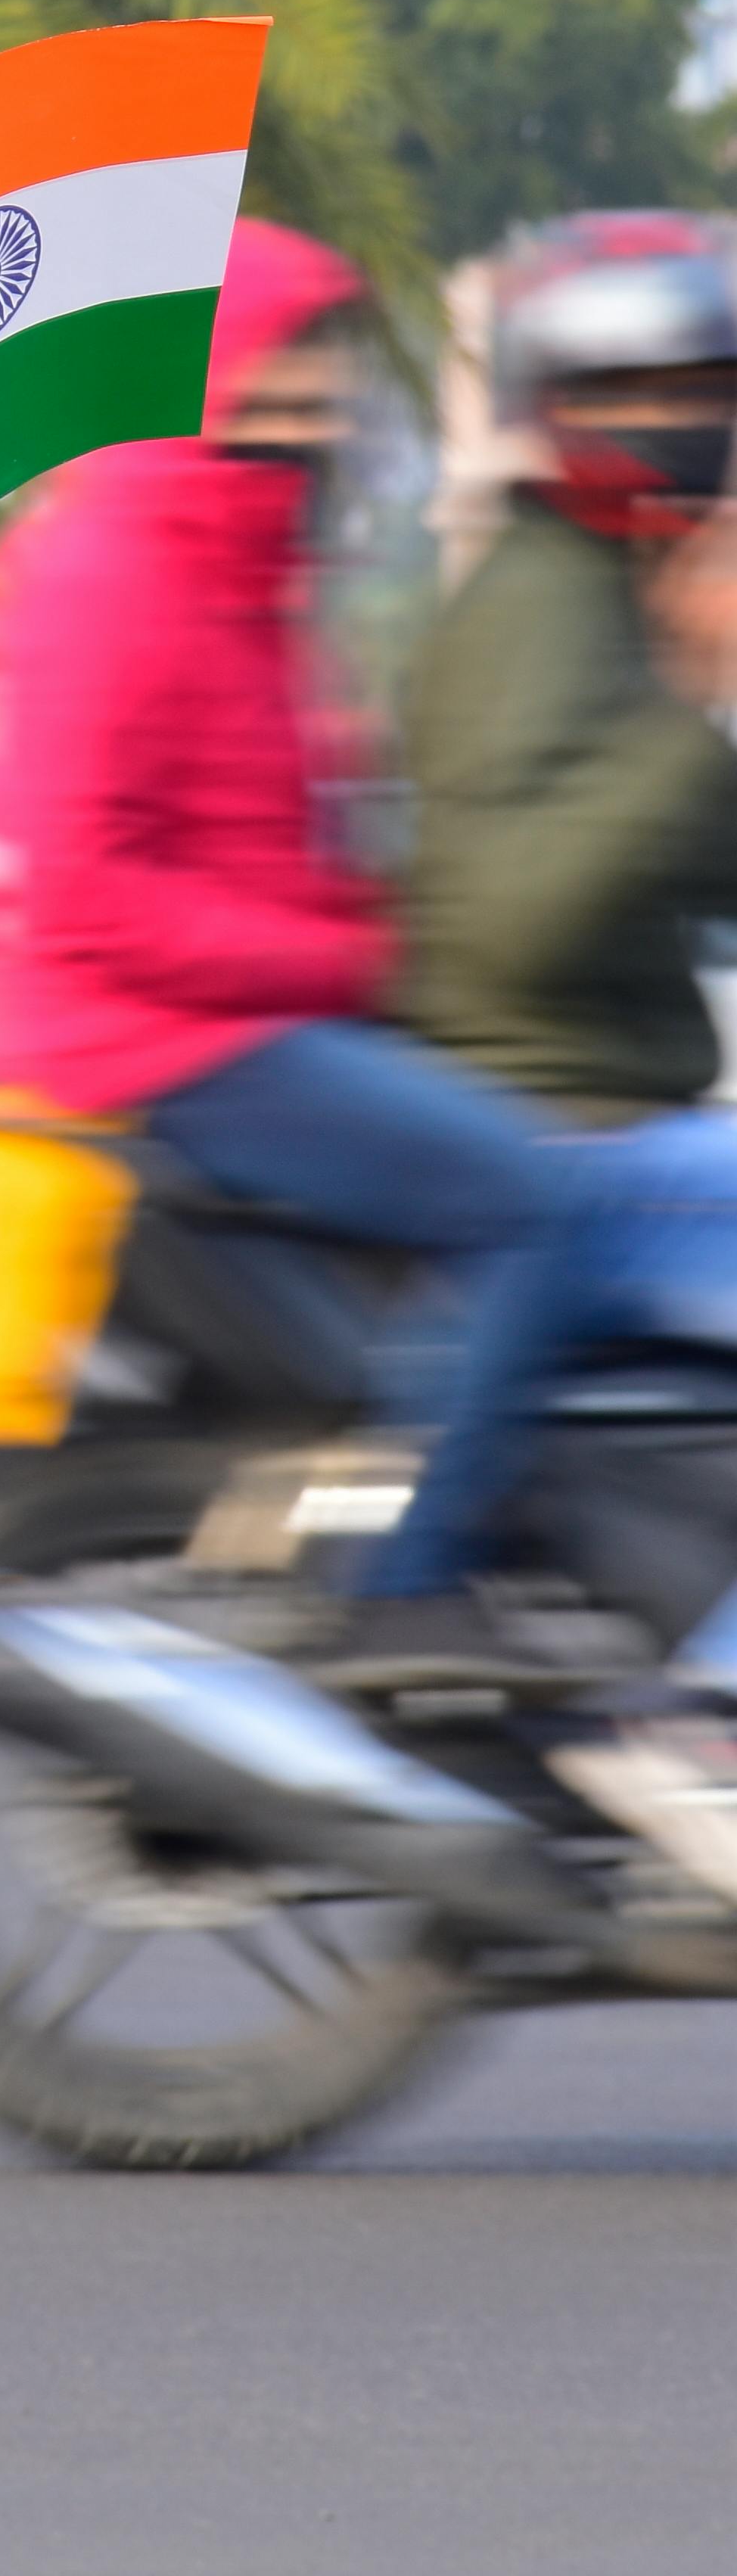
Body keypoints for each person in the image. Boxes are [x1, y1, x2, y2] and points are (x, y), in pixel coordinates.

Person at [0, 215, 577, 1631]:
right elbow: (80, 889)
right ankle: (408, 1580)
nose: (315, 416)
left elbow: (277, 842)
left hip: (244, 1021)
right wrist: (349, 961)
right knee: (531, 1201)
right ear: (202, 382)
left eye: (325, 383)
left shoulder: (247, 567)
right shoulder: (109, 568)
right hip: (152, 1044)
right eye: (277, 383)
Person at [406, 232, 737, 1887]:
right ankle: (708, 1715)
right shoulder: (531, 618)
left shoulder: (603, 595)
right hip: (560, 1130)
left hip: (606, 1107)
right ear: (569, 408)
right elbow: (527, 915)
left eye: (711, 394)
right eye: (659, 397)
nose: (695, 426)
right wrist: (692, 703)